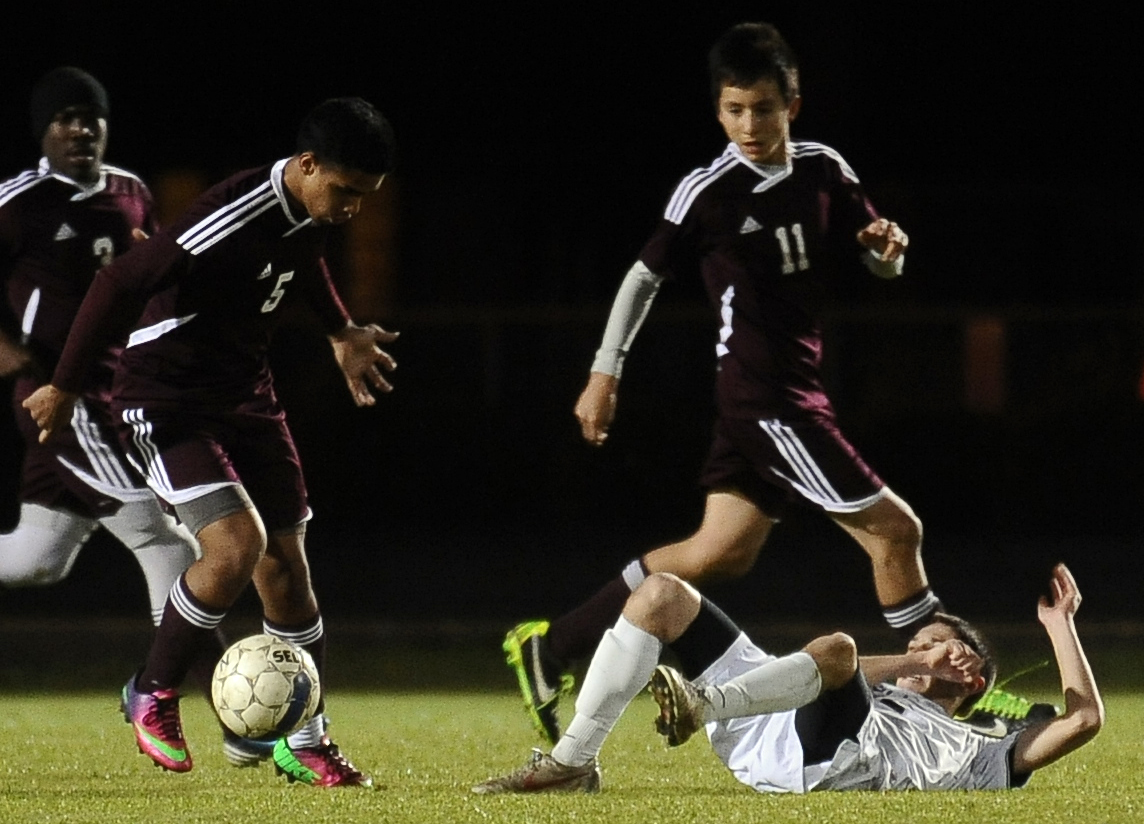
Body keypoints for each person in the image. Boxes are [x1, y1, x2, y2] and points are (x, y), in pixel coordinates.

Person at [504, 20, 944, 746]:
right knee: (898, 533)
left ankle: (549, 646)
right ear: (717, 109)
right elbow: (643, 277)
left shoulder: (826, 169)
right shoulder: (706, 190)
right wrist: (603, 370)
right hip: (768, 401)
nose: (749, 124)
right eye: (734, 109)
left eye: (764, 109)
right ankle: (937, 698)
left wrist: (888, 251)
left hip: (794, 393)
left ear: (792, 105)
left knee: (718, 553)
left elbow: (879, 257)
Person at [23, 96, 398, 787]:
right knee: (234, 546)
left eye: (363, 198)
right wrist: (67, 385)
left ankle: (306, 740)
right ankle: (152, 689)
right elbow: (119, 279)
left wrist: (341, 332)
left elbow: (307, 252)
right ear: (307, 164)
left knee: (288, 572)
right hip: (166, 398)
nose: (350, 208)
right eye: (343, 191)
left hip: (247, 396)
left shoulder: (310, 208)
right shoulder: (235, 213)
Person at [475, 563, 1101, 794]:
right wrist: (915, 661)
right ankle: (572, 761)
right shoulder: (881, 681)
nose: (921, 651)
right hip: (775, 708)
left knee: (837, 649)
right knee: (663, 594)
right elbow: (845, 670)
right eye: (916, 643)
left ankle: (700, 702)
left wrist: (1058, 624)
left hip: (829, 756)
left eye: (941, 647)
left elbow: (1083, 720)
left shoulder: (982, 753)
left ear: (971, 680)